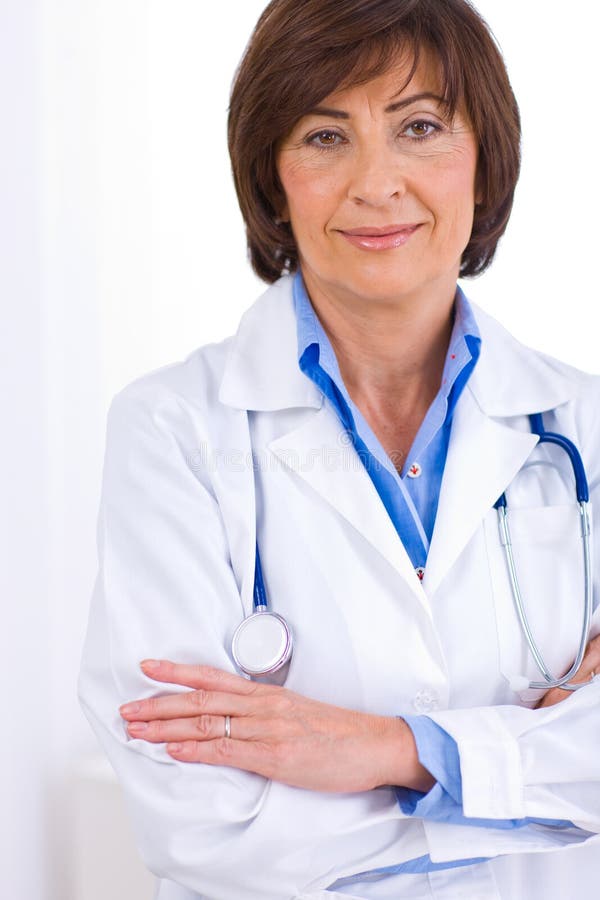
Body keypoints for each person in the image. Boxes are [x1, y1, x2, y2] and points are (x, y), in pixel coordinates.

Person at [78, 1, 600, 898]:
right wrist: (523, 781)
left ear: (486, 162)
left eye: (422, 127)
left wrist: (382, 748)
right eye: (325, 137)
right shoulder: (173, 429)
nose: (376, 181)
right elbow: (202, 824)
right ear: (272, 176)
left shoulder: (581, 424)